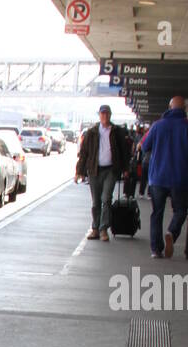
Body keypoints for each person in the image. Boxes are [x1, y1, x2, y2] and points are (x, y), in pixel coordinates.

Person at [138, 95, 188, 259]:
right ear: (184, 109)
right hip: (180, 178)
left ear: (169, 107)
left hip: (158, 177)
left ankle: (156, 249)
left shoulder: (157, 126)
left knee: (157, 213)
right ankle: (171, 233)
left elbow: (144, 146)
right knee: (180, 211)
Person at [76, 104, 131, 241]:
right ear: (99, 115)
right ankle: (95, 228)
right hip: (94, 170)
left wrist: (125, 169)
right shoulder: (92, 133)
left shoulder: (117, 132)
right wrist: (79, 171)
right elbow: (84, 153)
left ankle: (103, 229)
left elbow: (124, 152)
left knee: (106, 199)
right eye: (102, 114)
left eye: (107, 114)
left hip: (111, 170)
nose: (105, 116)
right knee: (96, 202)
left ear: (110, 115)